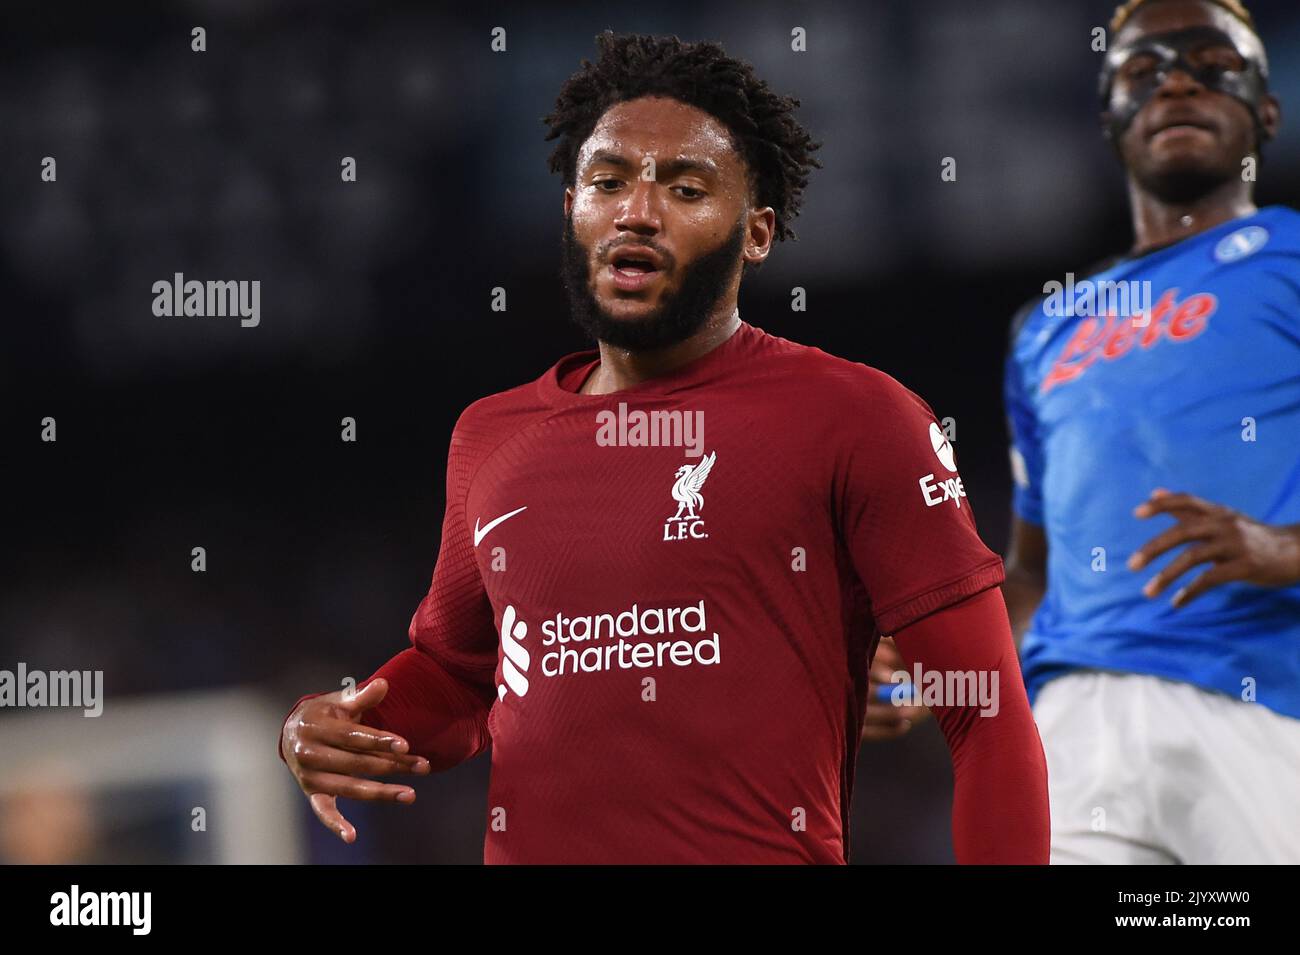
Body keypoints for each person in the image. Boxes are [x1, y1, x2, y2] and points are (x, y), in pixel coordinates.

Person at [280, 31, 1048, 864]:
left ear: (756, 234)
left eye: (685, 188)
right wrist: (329, 726)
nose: (637, 211)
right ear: (571, 207)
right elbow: (459, 681)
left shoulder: (858, 416)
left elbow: (987, 715)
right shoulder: (490, 436)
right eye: (607, 182)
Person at [1003, 0, 1300, 863]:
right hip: (1073, 727)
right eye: (1143, 70)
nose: (1175, 81)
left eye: (1211, 62)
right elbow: (1031, 571)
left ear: (1265, 112)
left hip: (1263, 706)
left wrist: (1283, 550)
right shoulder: (1042, 328)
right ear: (1111, 120)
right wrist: (939, 665)